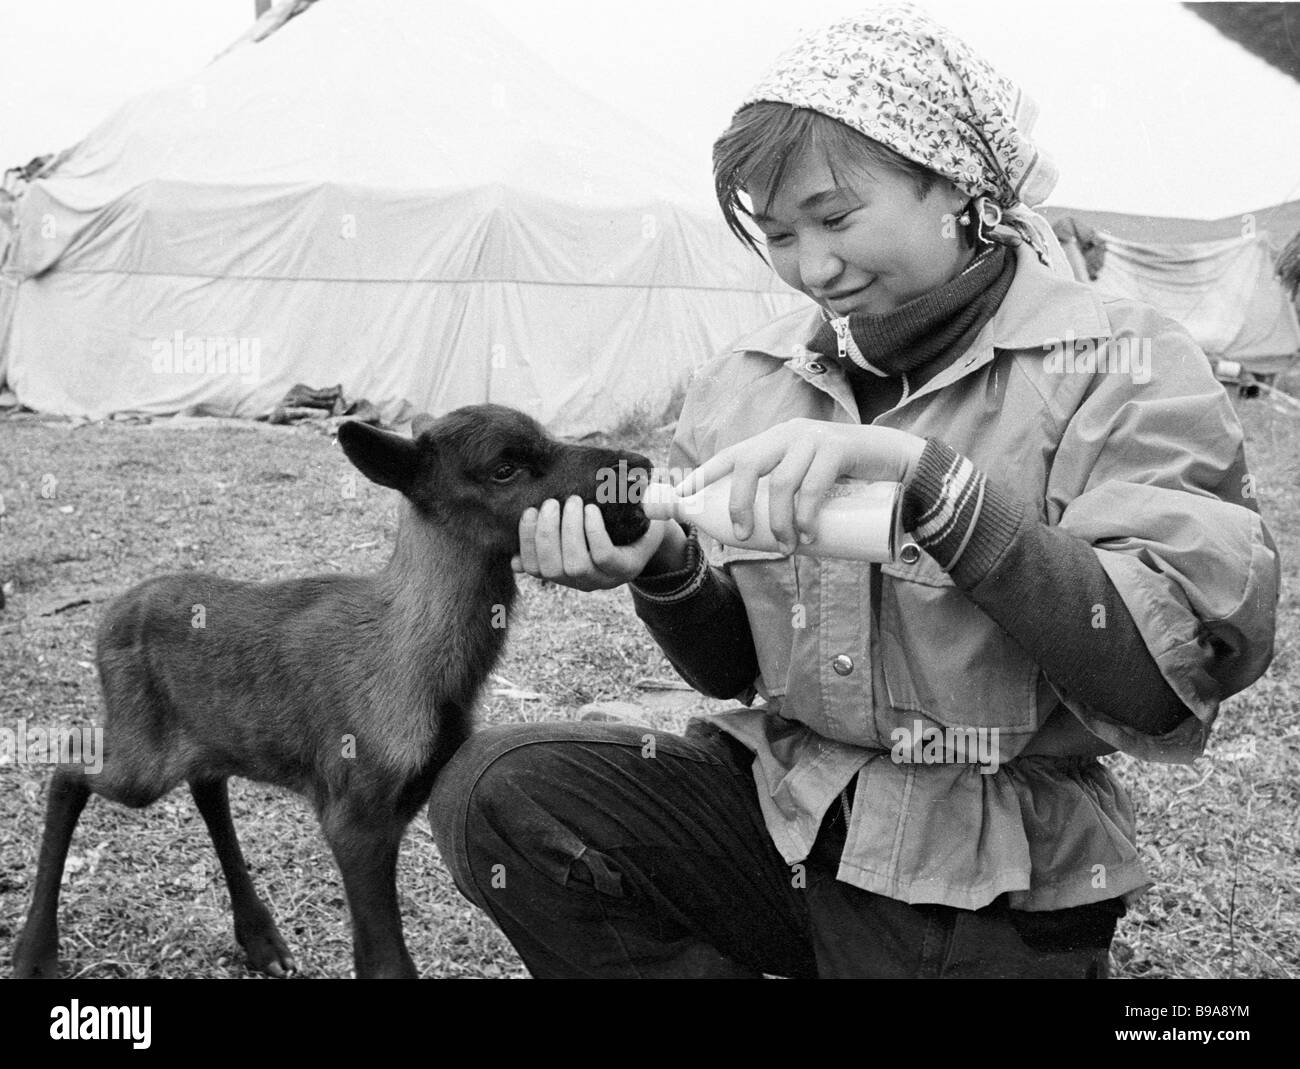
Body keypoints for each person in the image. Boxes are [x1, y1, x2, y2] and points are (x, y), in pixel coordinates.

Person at [428, 3, 1279, 978]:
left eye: (836, 217)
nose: (812, 267)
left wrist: (934, 487)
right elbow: (732, 668)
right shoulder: (753, 380)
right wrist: (663, 568)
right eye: (779, 232)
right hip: (792, 813)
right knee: (501, 787)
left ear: (956, 180)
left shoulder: (1114, 364)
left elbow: (1156, 684)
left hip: (992, 869)